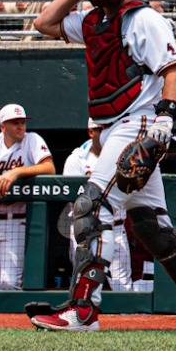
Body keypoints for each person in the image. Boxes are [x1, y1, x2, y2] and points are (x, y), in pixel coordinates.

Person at [29, 0, 176, 330]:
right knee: (151, 227)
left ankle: (83, 309)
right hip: (113, 126)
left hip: (139, 122)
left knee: (91, 207)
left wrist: (165, 122)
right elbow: (43, 23)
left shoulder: (145, 19)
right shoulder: (90, 20)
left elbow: (174, 72)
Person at [0, 103, 56, 291]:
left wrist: (17, 172)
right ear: (3, 126)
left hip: (15, 220)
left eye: (22, 122)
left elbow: (49, 168)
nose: (20, 126)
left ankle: (10, 321)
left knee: (9, 284)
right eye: (15, 123)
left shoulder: (31, 140)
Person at [62, 122, 132, 292]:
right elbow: (73, 199)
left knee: (121, 286)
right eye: (100, 130)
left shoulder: (124, 155)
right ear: (91, 132)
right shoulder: (78, 158)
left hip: (117, 228)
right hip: (86, 230)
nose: (104, 133)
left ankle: (128, 319)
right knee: (84, 282)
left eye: (107, 129)